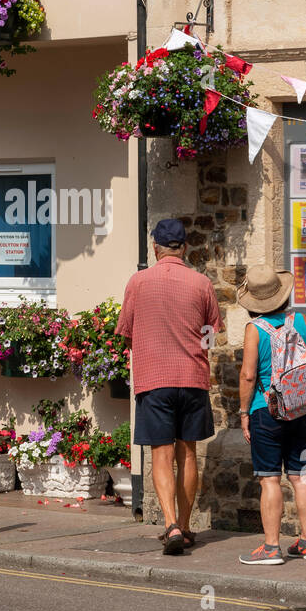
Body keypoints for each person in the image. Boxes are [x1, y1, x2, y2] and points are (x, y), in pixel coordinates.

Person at [116, 218, 220, 556]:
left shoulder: (138, 282)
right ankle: (187, 526)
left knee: (161, 453)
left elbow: (126, 332)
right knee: (187, 451)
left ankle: (171, 524)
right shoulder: (201, 283)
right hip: (192, 377)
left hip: (154, 379)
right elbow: (212, 335)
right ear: (185, 247)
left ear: (155, 248)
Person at [236, 266, 306, 565]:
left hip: (267, 410)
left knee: (270, 479)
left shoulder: (255, 330)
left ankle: (271, 548)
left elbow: (248, 376)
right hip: (301, 409)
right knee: (301, 476)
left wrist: (244, 412)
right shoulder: (300, 319)